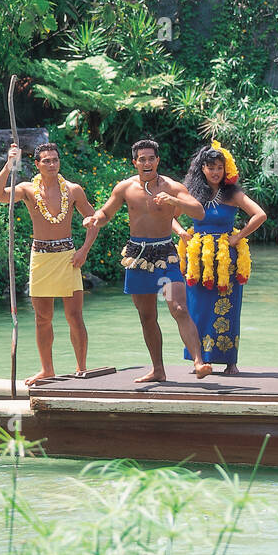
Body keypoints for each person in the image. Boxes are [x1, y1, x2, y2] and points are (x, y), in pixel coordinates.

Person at [84, 138, 211, 383]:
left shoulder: (172, 186)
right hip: (137, 256)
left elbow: (199, 211)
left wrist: (174, 201)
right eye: (142, 159)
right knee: (147, 316)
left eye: (151, 158)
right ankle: (158, 369)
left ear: (157, 161)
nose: (147, 163)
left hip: (165, 255)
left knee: (179, 308)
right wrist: (94, 219)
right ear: (135, 162)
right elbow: (106, 213)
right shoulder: (124, 188)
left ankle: (199, 362)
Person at [0, 142, 100, 383]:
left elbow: (94, 220)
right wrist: (9, 166)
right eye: (46, 161)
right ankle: (47, 369)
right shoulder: (27, 189)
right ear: (37, 164)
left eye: (55, 160)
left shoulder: (73, 190)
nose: (52, 164)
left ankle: (81, 367)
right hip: (40, 256)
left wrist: (84, 250)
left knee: (75, 316)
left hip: (68, 256)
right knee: (43, 318)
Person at [173, 142, 267, 376]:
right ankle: (199, 359)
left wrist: (238, 237)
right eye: (211, 167)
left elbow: (260, 215)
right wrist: (182, 233)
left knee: (227, 308)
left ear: (226, 170)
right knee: (197, 308)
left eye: (219, 168)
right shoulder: (191, 193)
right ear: (202, 168)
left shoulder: (233, 193)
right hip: (197, 258)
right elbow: (169, 216)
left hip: (227, 259)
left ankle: (230, 361)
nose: (215, 172)